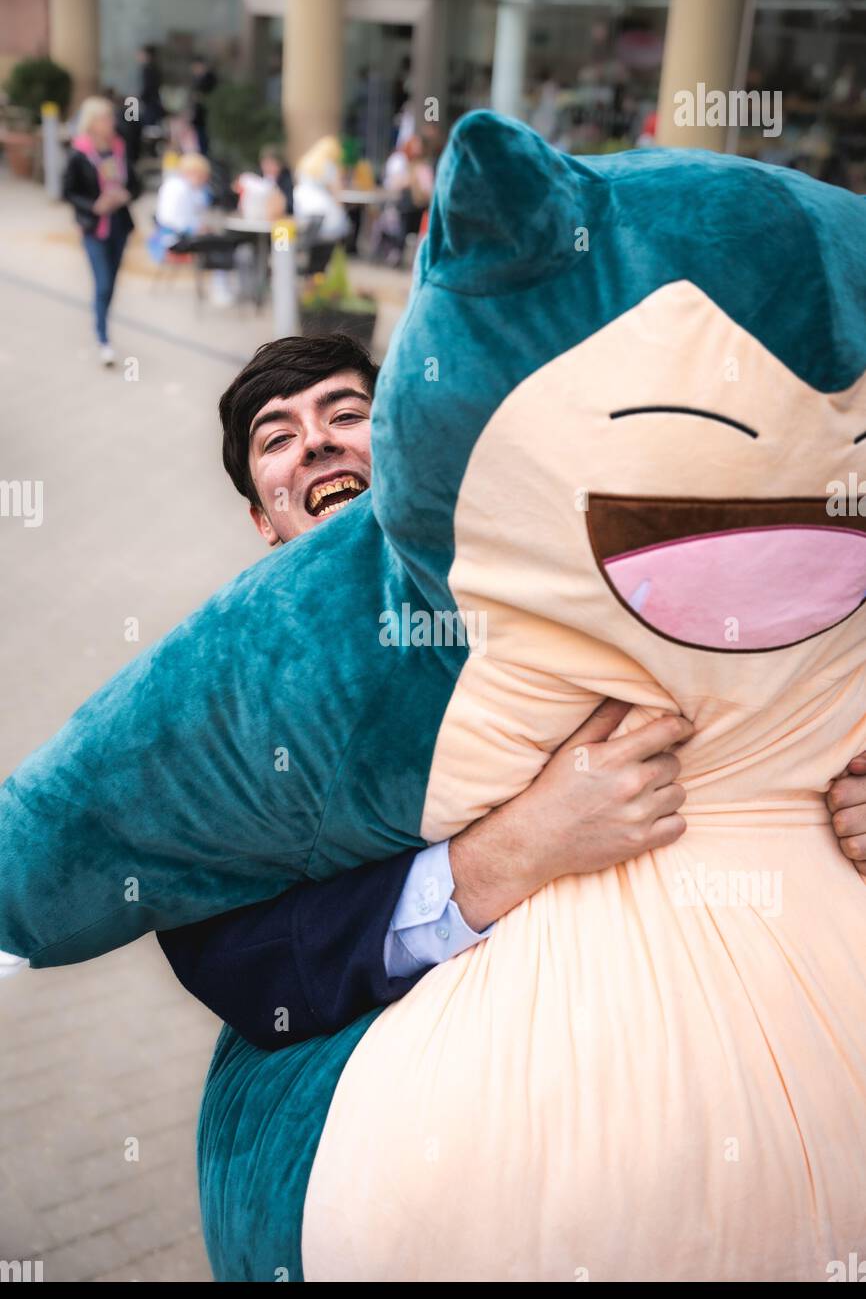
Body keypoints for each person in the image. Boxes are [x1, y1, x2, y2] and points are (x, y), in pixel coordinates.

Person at [157, 334, 866, 1049]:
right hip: (484, 1074)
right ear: (262, 522)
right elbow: (237, 958)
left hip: (768, 1010)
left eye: (346, 414)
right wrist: (513, 851)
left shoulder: (570, 552)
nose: (315, 442)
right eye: (277, 438)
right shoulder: (244, 697)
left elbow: (798, 660)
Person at [62, 95, 141, 367]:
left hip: (119, 225)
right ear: (92, 122)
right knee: (103, 283)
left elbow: (136, 184)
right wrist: (94, 206)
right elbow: (68, 190)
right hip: (95, 228)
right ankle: (103, 338)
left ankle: (102, 325)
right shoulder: (79, 152)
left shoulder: (119, 148)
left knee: (110, 286)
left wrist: (124, 196)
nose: (111, 122)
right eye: (106, 118)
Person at [189, 56, 217, 157]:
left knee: (205, 137)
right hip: (199, 114)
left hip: (206, 114)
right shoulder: (197, 79)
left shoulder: (210, 78)